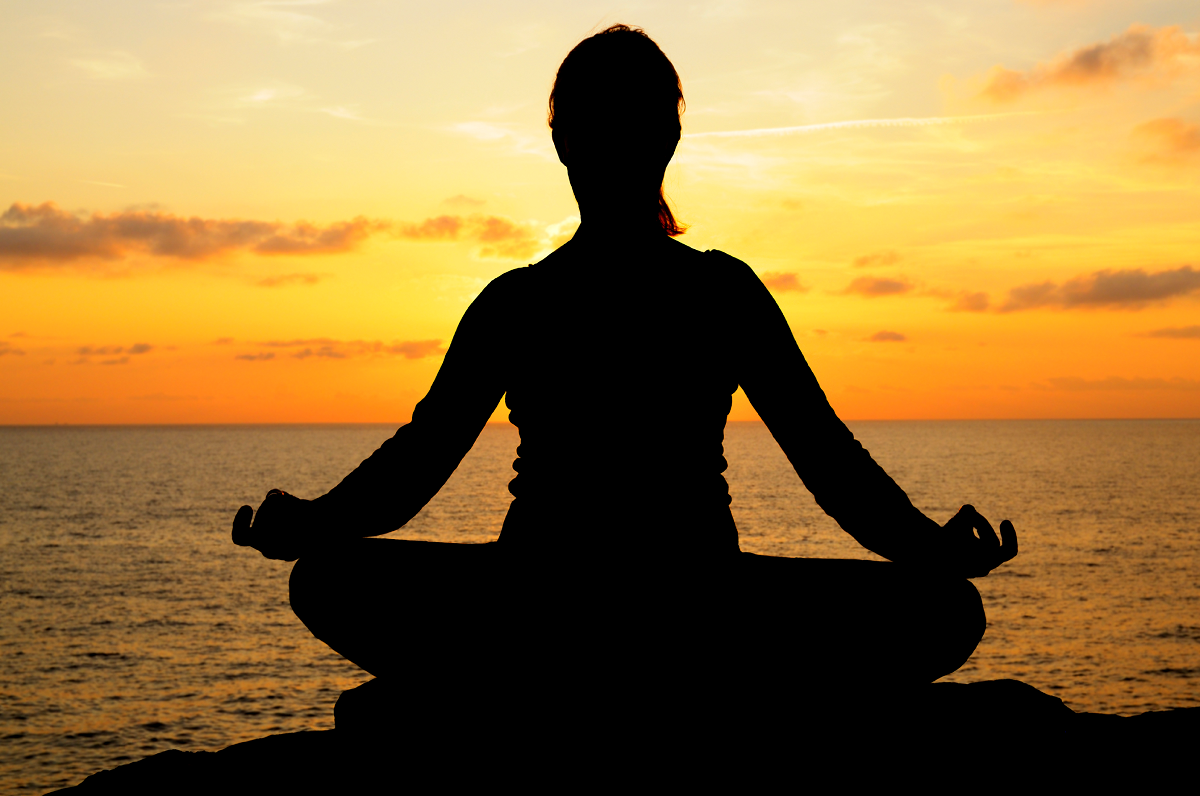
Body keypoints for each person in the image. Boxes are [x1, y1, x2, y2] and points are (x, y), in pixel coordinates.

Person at [232, 25, 1016, 708]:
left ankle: (527, 687)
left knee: (326, 580)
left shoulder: (540, 299)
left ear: (563, 141)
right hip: (686, 610)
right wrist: (931, 550)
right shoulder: (697, 292)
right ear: (661, 138)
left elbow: (414, 467)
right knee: (946, 612)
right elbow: (829, 461)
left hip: (554, 612)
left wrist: (314, 523)